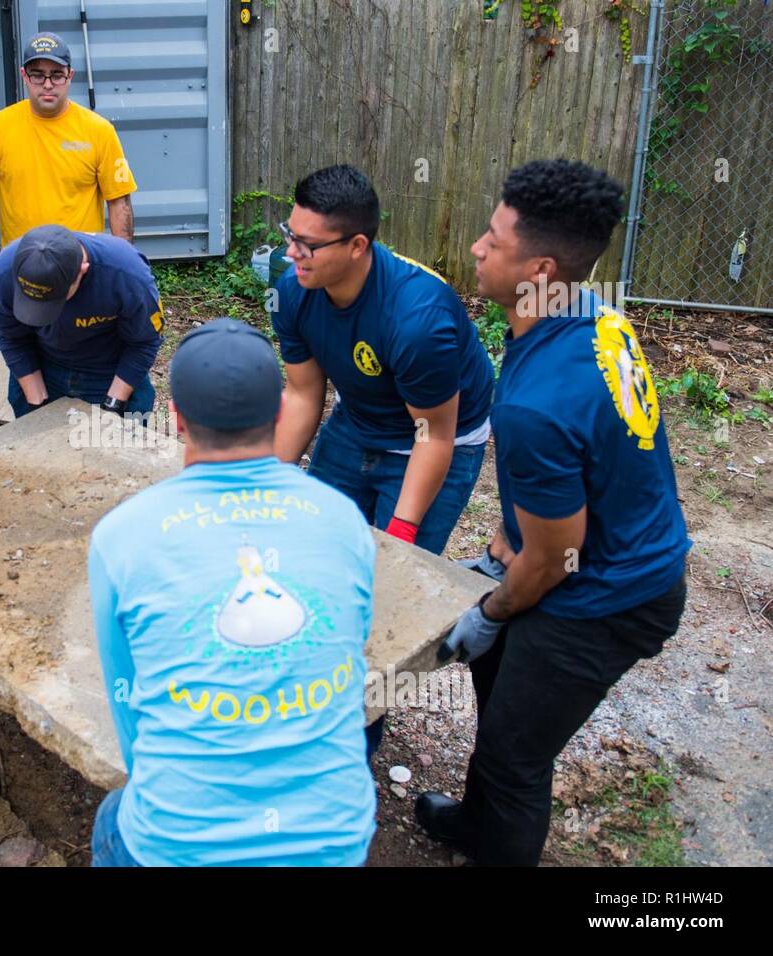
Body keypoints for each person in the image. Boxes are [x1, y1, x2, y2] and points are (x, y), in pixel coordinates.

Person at [416, 159, 690, 866]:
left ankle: (494, 831)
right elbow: (596, 460)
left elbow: (552, 561)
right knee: (502, 696)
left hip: (608, 598)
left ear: (538, 268)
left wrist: (492, 610)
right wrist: (513, 531)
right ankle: (475, 824)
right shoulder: (591, 317)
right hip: (596, 555)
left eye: (494, 239)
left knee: (516, 761)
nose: (477, 247)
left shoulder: (537, 401)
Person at [88, 317, 377, 866]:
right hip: (332, 841)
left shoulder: (121, 537)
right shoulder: (345, 522)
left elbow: (127, 704)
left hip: (177, 845)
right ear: (277, 415)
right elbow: (347, 653)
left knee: (112, 815)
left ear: (175, 420)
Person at [270, 163, 494, 756]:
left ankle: (352, 749)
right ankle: (306, 707)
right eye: (289, 235)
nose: (292, 253)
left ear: (358, 245)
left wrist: (397, 535)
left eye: (306, 244)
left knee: (383, 596)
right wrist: (267, 480)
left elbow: (434, 435)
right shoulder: (296, 286)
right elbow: (302, 393)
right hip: (358, 422)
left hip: (434, 437)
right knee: (316, 562)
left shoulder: (418, 321)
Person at [0, 31, 137, 244]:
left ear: (70, 76)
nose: (47, 84)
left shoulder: (99, 131)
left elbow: (119, 202)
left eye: (56, 75)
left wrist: (124, 262)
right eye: (37, 75)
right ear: (24, 75)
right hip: (20, 262)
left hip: (80, 263)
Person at [0, 223, 162, 420]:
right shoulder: (3, 274)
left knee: (124, 443)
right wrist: (37, 404)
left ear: (82, 270)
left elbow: (144, 342)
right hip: (43, 364)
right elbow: (12, 338)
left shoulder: (126, 274)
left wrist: (113, 405)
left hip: (110, 369)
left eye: (54, 301)